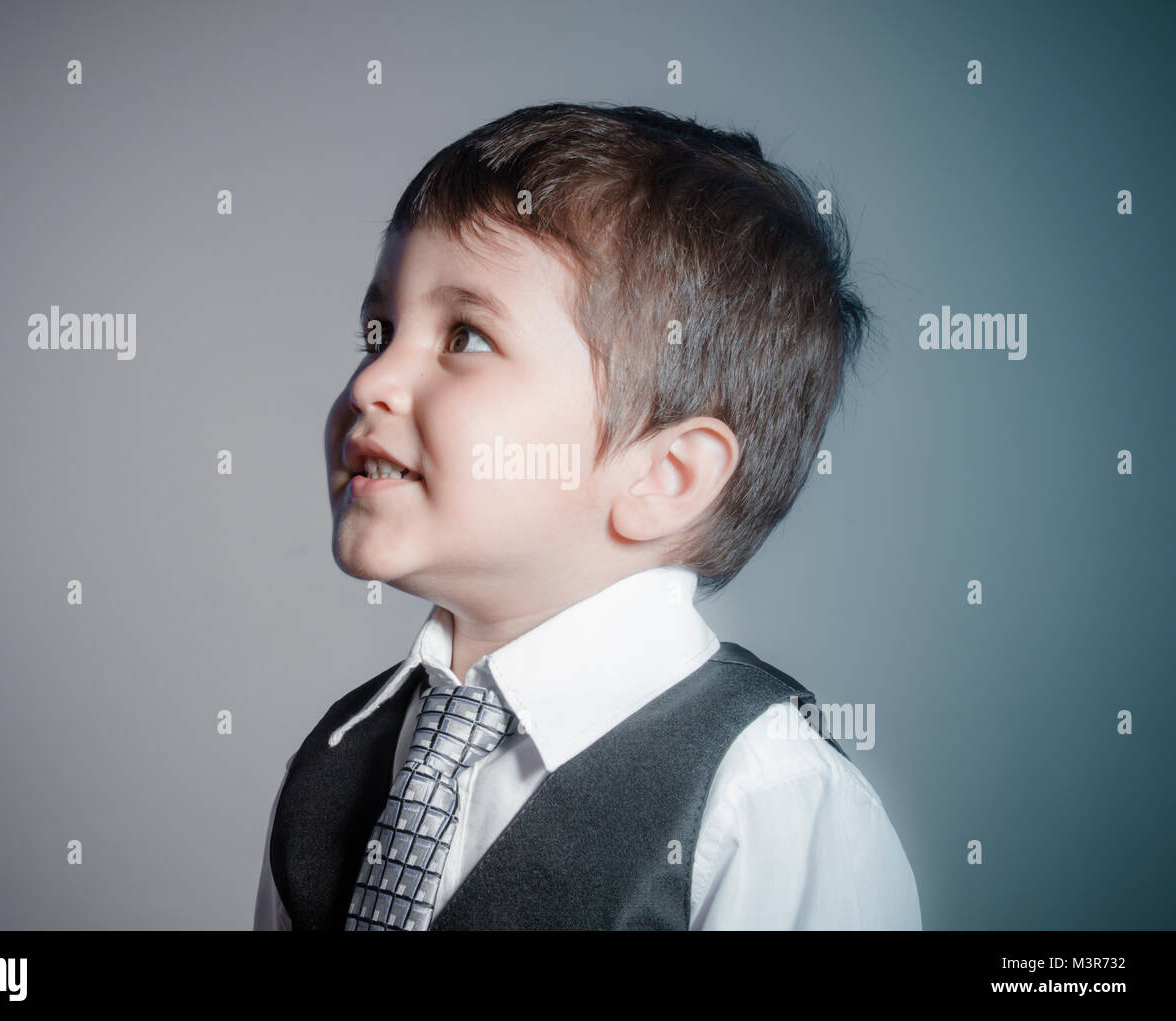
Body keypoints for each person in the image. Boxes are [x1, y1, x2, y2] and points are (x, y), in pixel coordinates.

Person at [254, 102, 920, 930]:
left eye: (464, 336)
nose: (372, 382)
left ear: (664, 475)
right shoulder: (334, 764)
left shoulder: (763, 800)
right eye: (378, 332)